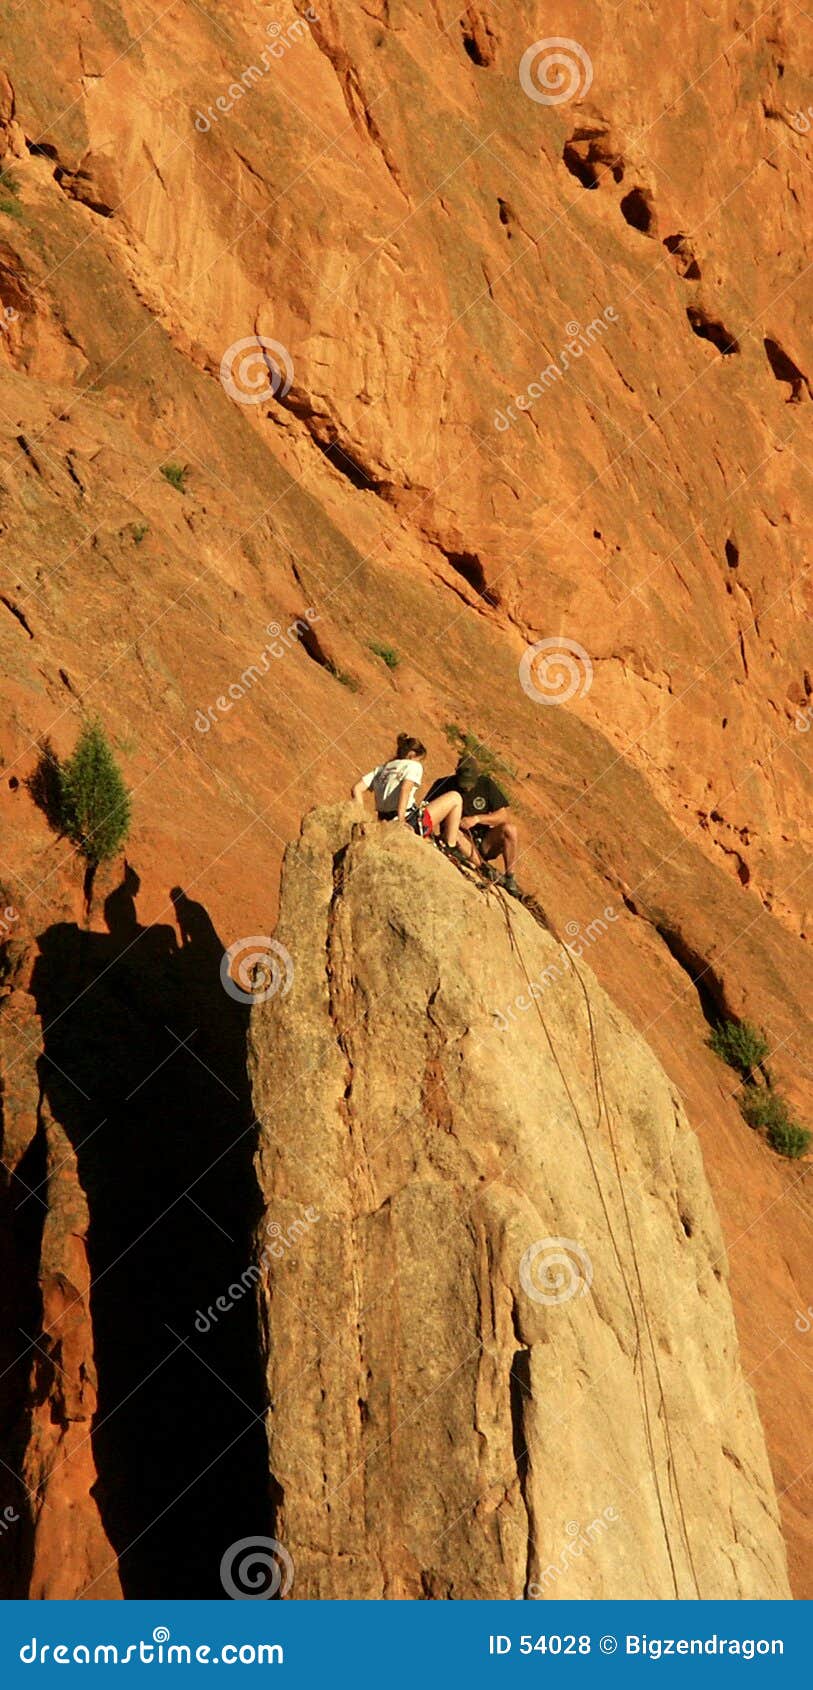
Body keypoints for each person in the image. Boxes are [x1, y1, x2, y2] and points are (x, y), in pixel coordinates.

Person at [351, 734, 468, 855]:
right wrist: (401, 821)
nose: (420, 763)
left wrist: (361, 815)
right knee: (455, 798)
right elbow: (405, 789)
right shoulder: (413, 765)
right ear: (411, 755)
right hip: (409, 821)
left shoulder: (382, 769)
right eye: (419, 759)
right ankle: (450, 846)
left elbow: (357, 788)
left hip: (384, 821)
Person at [425, 753, 520, 894]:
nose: (467, 788)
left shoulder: (486, 784)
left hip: (484, 841)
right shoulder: (443, 784)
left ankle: (510, 877)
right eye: (464, 783)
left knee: (510, 829)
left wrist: (477, 819)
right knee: (455, 834)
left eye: (470, 784)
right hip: (457, 839)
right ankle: (484, 868)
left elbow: (502, 815)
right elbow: (428, 810)